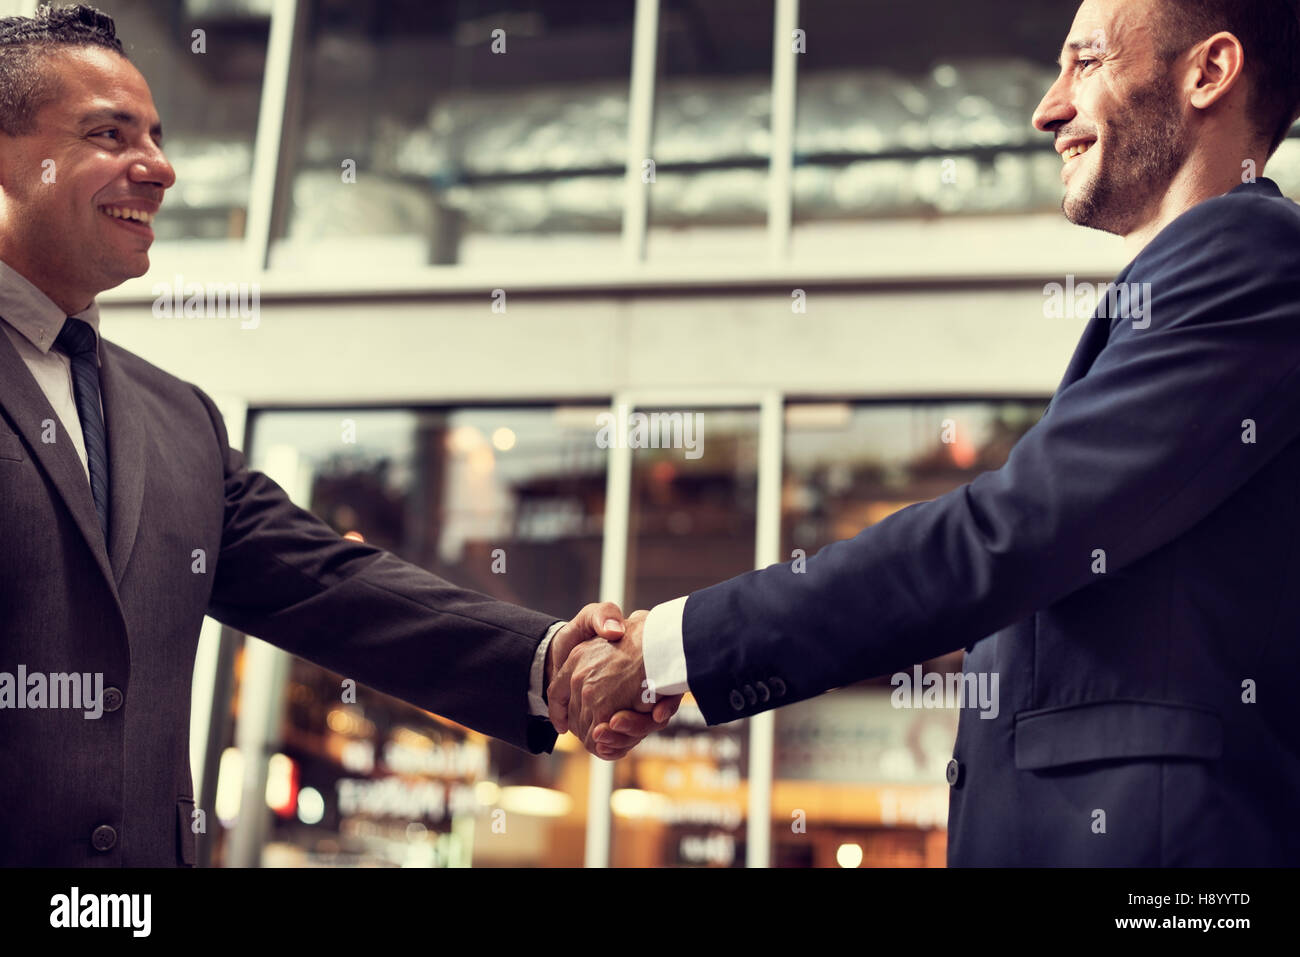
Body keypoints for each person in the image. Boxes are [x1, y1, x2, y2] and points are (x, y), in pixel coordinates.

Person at [553, 0, 1300, 865]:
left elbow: (1010, 533)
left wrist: (675, 646)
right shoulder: (1201, 280)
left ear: (1208, 72)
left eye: (1085, 63)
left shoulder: (1252, 257)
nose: (1048, 108)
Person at [0, 4, 675, 867]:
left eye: (159, 137)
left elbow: (331, 585)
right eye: (110, 132)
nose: (160, 168)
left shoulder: (179, 422)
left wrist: (545, 663)